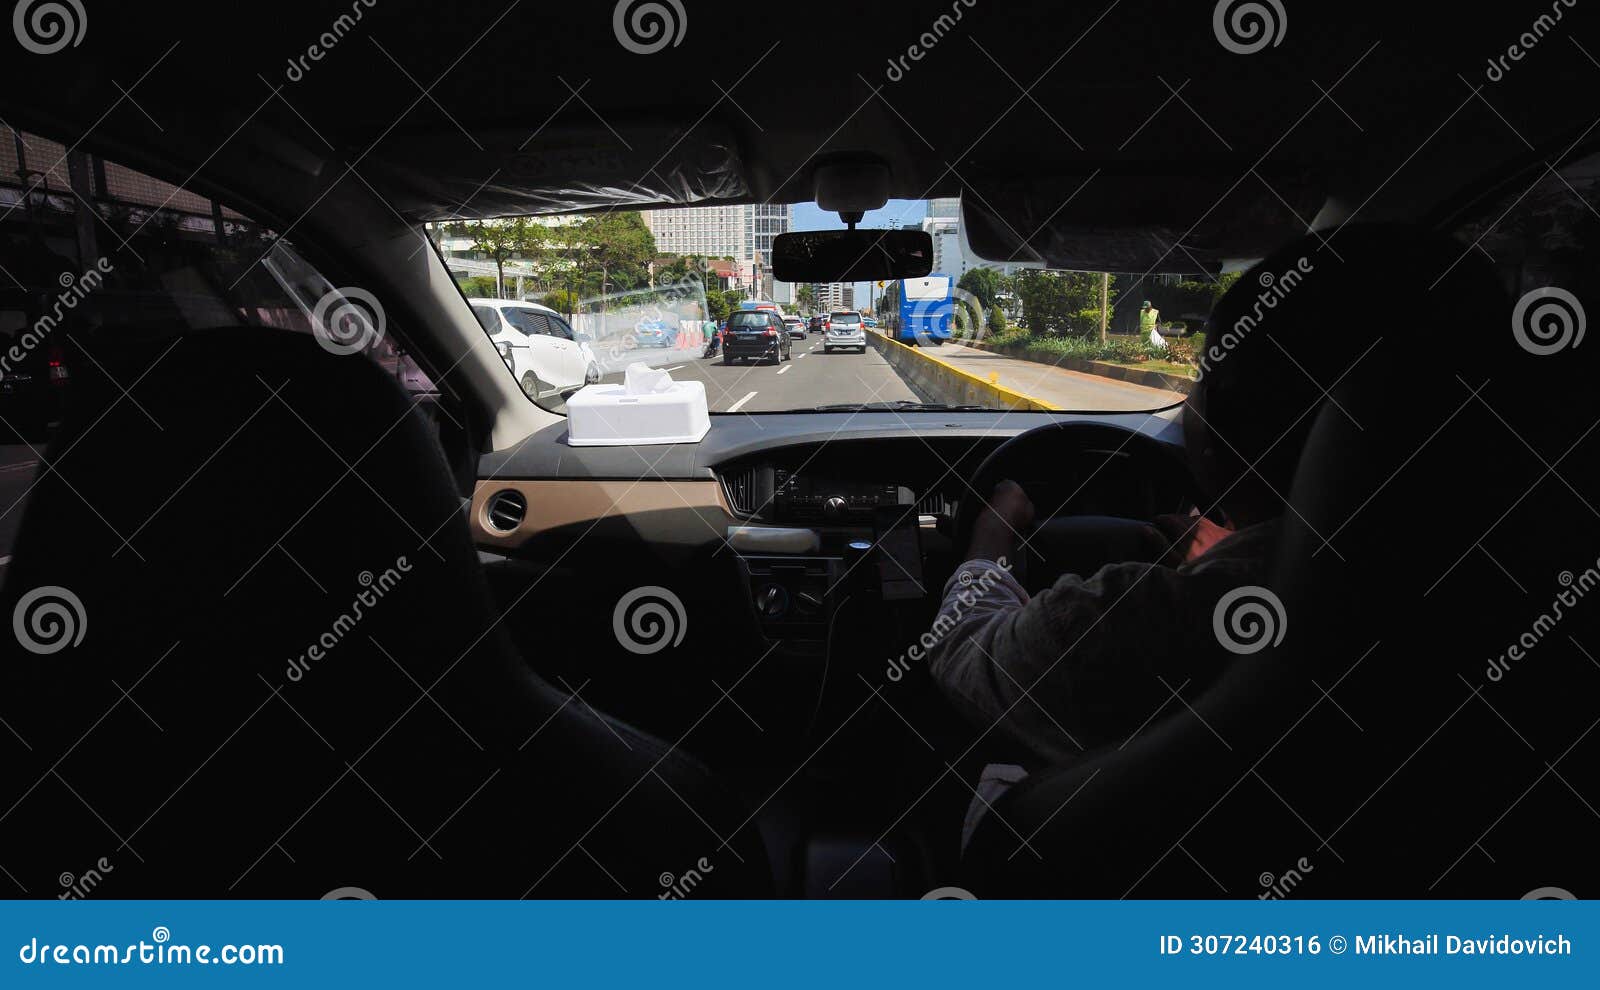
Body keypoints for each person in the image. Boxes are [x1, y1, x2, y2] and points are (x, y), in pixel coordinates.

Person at [923, 225, 1475, 770]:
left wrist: (993, 535)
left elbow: (964, 660)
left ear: (1223, 423)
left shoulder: (1155, 616)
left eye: (1201, 379)